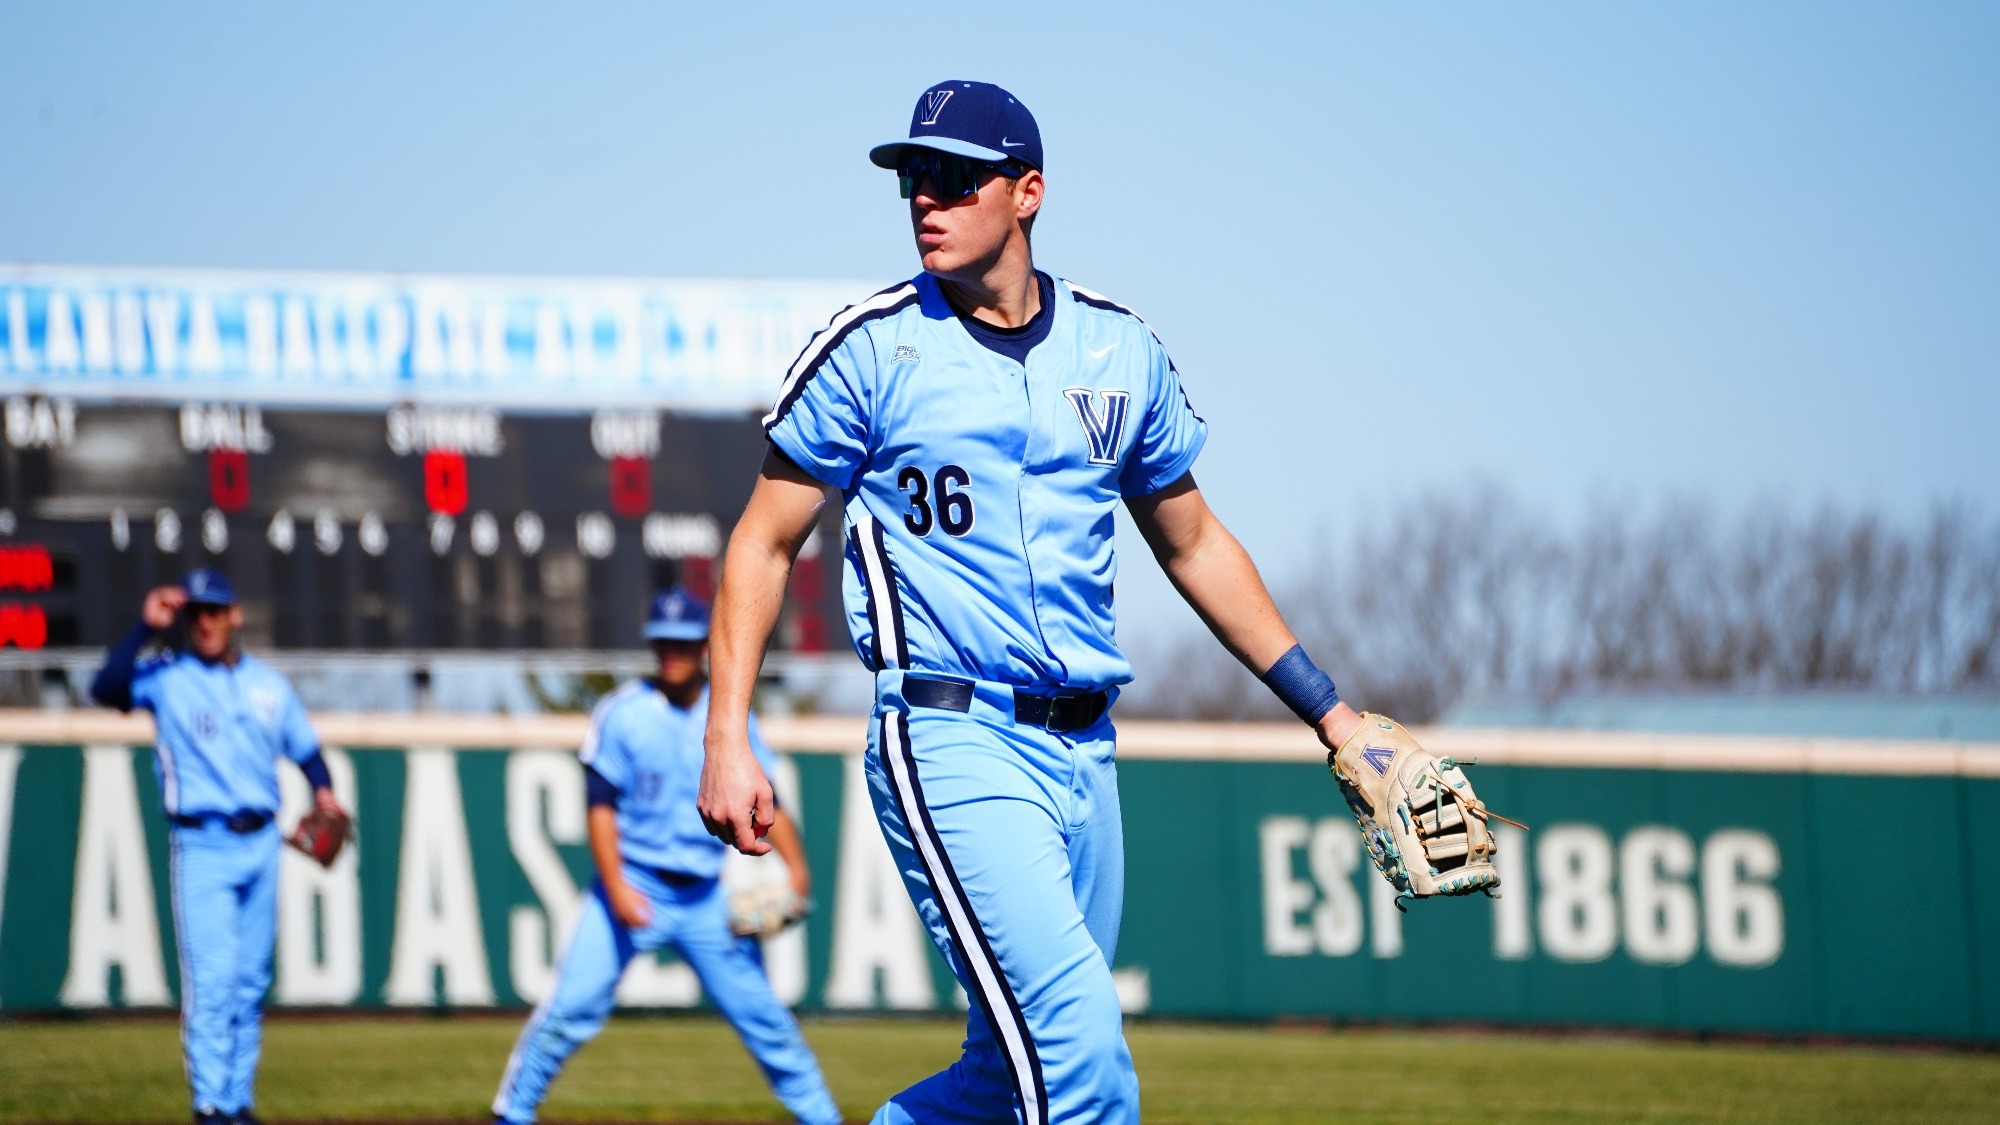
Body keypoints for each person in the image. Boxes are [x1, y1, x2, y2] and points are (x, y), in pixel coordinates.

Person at [696, 79, 1370, 1125]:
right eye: (914, 177)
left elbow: (1191, 543)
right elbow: (760, 542)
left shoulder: (1115, 348)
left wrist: (1329, 710)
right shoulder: (872, 347)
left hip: (1084, 755)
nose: (926, 197)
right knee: (1083, 1061)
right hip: (949, 733)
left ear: (1026, 193)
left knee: (1010, 1079)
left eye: (956, 178)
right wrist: (725, 736)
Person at [491, 587, 840, 1125]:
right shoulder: (623, 713)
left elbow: (769, 793)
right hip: (634, 883)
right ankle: (511, 1114)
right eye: (663, 643)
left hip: (704, 896)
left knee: (766, 1022)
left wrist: (797, 870)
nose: (672, 653)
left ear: (703, 643)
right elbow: (600, 807)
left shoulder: (729, 715)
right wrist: (616, 886)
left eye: (682, 642)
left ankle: (825, 1120)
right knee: (568, 1011)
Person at [89, 569, 342, 1125]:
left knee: (251, 982)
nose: (205, 621)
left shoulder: (268, 686)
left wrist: (324, 791)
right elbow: (105, 689)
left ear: (234, 615)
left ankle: (236, 1102)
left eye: (215, 610)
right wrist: (143, 626)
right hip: (202, 843)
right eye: (196, 612)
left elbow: (306, 749)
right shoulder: (167, 677)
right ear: (185, 618)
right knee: (214, 980)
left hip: (261, 843)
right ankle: (209, 1105)